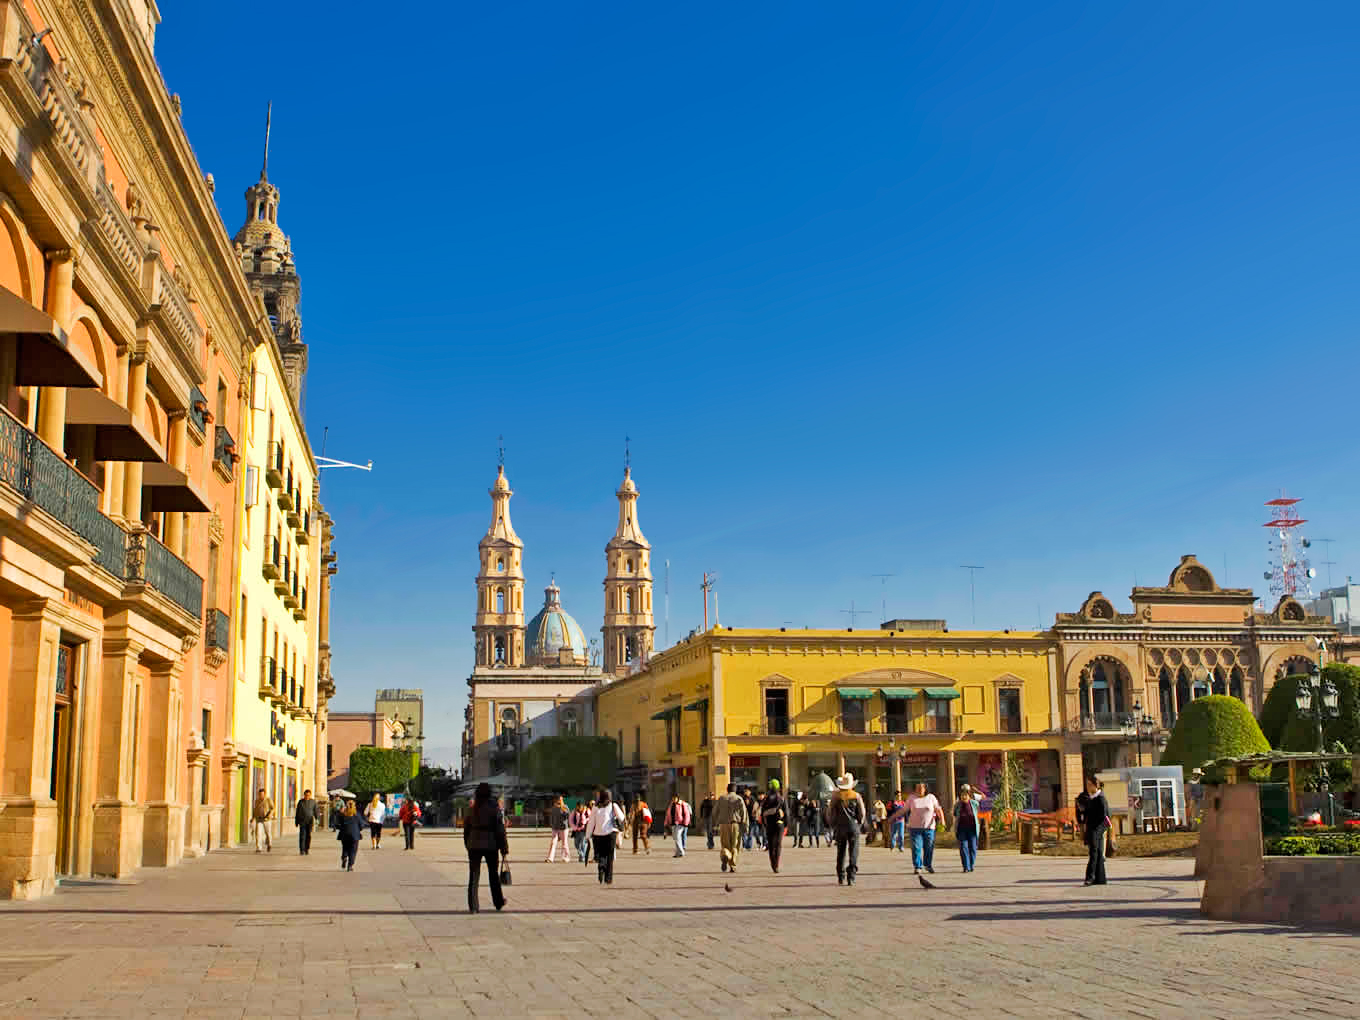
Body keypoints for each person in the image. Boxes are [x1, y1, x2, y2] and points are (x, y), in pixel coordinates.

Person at [463, 782, 509, 912]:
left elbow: (466, 829)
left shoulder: (472, 808)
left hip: (474, 845)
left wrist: (468, 844)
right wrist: (504, 848)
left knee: (473, 875)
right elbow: (500, 830)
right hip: (491, 844)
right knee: (493, 875)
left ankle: (473, 906)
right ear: (489, 793)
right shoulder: (494, 808)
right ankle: (498, 902)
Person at [825, 773, 867, 885]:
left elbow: (829, 813)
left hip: (840, 827)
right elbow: (862, 813)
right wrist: (860, 823)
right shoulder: (856, 796)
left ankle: (841, 876)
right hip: (853, 827)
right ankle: (851, 876)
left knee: (841, 852)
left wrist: (831, 824)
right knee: (853, 851)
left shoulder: (836, 796)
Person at [896, 782, 946, 875]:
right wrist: (894, 817)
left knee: (929, 848)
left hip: (929, 827)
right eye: (917, 787)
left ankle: (927, 865)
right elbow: (904, 809)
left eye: (921, 787)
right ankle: (918, 867)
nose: (919, 789)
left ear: (925, 789)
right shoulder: (911, 798)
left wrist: (942, 821)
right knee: (916, 847)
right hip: (914, 827)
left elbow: (938, 809)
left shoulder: (931, 797)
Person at [585, 790, 626, 884]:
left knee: (601, 854)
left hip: (597, 836)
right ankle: (608, 879)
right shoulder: (613, 805)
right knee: (610, 857)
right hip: (611, 834)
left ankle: (601, 867)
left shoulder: (595, 807)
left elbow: (591, 822)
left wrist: (587, 836)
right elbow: (622, 817)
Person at [1082, 774, 1110, 886]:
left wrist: (1096, 829)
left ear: (1096, 785)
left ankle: (1090, 877)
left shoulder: (1101, 799)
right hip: (1093, 829)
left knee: (1094, 853)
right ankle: (1100, 878)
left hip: (1097, 829)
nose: (1087, 787)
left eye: (1089, 784)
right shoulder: (1091, 798)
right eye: (1086, 785)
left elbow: (1104, 816)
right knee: (1097, 853)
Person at [712, 783, 747, 873]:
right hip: (735, 825)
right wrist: (745, 827)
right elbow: (744, 814)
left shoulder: (721, 798)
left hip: (723, 825)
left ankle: (725, 856)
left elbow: (715, 812)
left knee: (725, 845)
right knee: (735, 846)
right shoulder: (739, 799)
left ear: (727, 789)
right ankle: (733, 865)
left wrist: (714, 824)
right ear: (735, 790)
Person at [953, 783, 982, 873]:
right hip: (961, 830)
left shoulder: (974, 803)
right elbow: (954, 814)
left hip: (972, 830)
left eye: (966, 795)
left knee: (973, 848)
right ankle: (966, 867)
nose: (964, 797)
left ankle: (971, 865)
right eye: (962, 795)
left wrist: (977, 790)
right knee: (963, 847)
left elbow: (983, 799)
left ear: (969, 795)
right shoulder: (957, 805)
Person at [760, 779, 786, 873]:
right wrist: (786, 824)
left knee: (771, 845)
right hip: (780, 824)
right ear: (778, 786)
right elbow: (786, 812)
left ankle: (773, 864)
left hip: (770, 825)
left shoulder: (766, 799)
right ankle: (777, 864)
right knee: (778, 845)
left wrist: (764, 824)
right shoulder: (781, 798)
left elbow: (762, 813)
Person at [336, 796, 363, 871]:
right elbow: (362, 825)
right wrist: (358, 829)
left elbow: (337, 825)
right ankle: (350, 865)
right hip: (354, 835)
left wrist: (342, 828)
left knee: (345, 848)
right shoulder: (357, 815)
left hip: (344, 835)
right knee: (353, 850)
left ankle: (344, 857)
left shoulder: (343, 815)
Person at [546, 795, 571, 862]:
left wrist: (564, 809)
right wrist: (551, 825)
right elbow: (551, 817)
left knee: (564, 843)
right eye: (558, 799)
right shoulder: (554, 807)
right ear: (556, 800)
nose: (560, 801)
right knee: (553, 842)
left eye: (561, 799)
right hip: (555, 828)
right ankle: (550, 858)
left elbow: (568, 816)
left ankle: (566, 857)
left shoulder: (565, 807)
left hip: (563, 828)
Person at [295, 789, 316, 855]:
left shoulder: (313, 802)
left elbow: (315, 810)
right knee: (302, 836)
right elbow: (297, 812)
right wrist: (296, 821)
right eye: (306, 795)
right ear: (304, 795)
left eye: (308, 795)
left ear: (310, 795)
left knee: (308, 836)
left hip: (310, 821)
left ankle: (307, 849)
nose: (307, 796)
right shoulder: (300, 802)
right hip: (302, 821)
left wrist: (317, 818)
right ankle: (302, 850)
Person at [251, 788, 273, 853]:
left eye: (262, 794)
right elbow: (255, 810)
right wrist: (253, 818)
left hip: (267, 819)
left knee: (268, 833)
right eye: (260, 794)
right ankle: (259, 848)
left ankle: (269, 844)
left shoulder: (268, 800)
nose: (261, 796)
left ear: (264, 794)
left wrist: (269, 815)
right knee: (258, 833)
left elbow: (272, 808)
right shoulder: (257, 801)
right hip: (259, 819)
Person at [569, 799, 591, 863]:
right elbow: (570, 821)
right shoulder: (574, 812)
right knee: (576, 844)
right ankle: (581, 854)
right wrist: (574, 827)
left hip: (585, 830)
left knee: (583, 843)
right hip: (576, 830)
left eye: (581, 806)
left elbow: (591, 818)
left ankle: (582, 856)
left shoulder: (587, 811)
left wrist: (585, 821)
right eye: (578, 806)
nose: (580, 808)